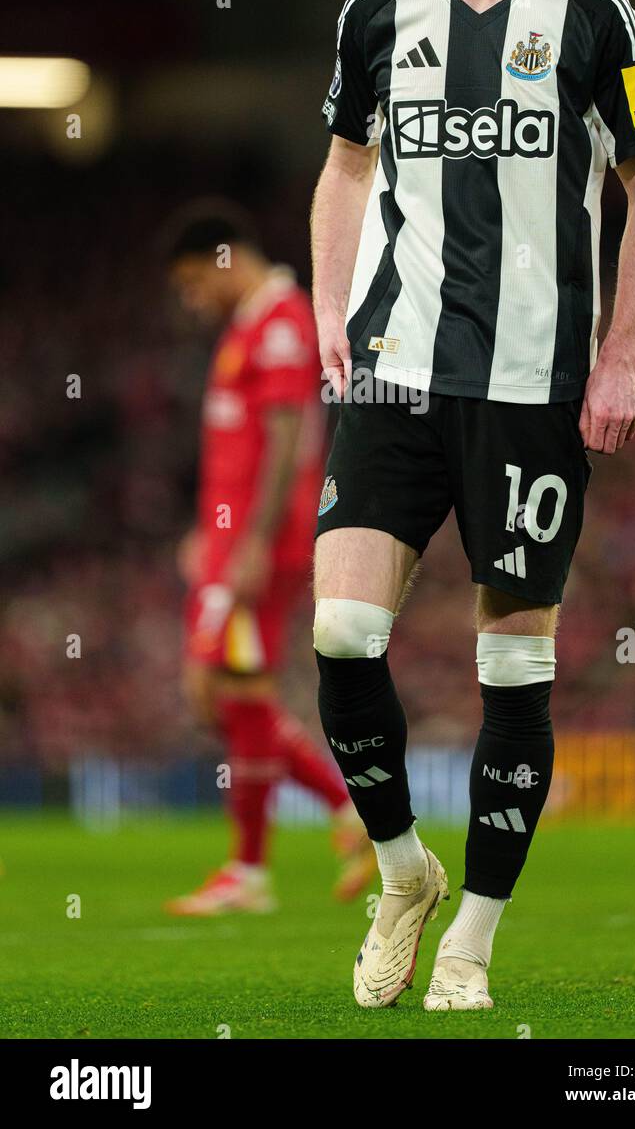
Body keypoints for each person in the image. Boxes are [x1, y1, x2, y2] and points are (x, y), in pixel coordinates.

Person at [311, 0, 635, 1008]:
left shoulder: (595, 16)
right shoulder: (377, 14)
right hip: (394, 375)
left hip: (531, 386)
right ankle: (402, 869)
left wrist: (621, 353)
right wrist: (327, 305)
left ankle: (469, 935)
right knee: (340, 632)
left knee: (510, 671)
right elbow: (347, 166)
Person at [163, 199, 376, 914]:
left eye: (193, 282)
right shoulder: (248, 328)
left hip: (257, 546)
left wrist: (250, 542)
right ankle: (318, 827)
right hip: (230, 543)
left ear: (222, 258)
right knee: (224, 691)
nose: (193, 300)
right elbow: (239, 446)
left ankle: (270, 857)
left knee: (220, 686)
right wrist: (210, 532)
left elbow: (290, 436)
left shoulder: (282, 322)